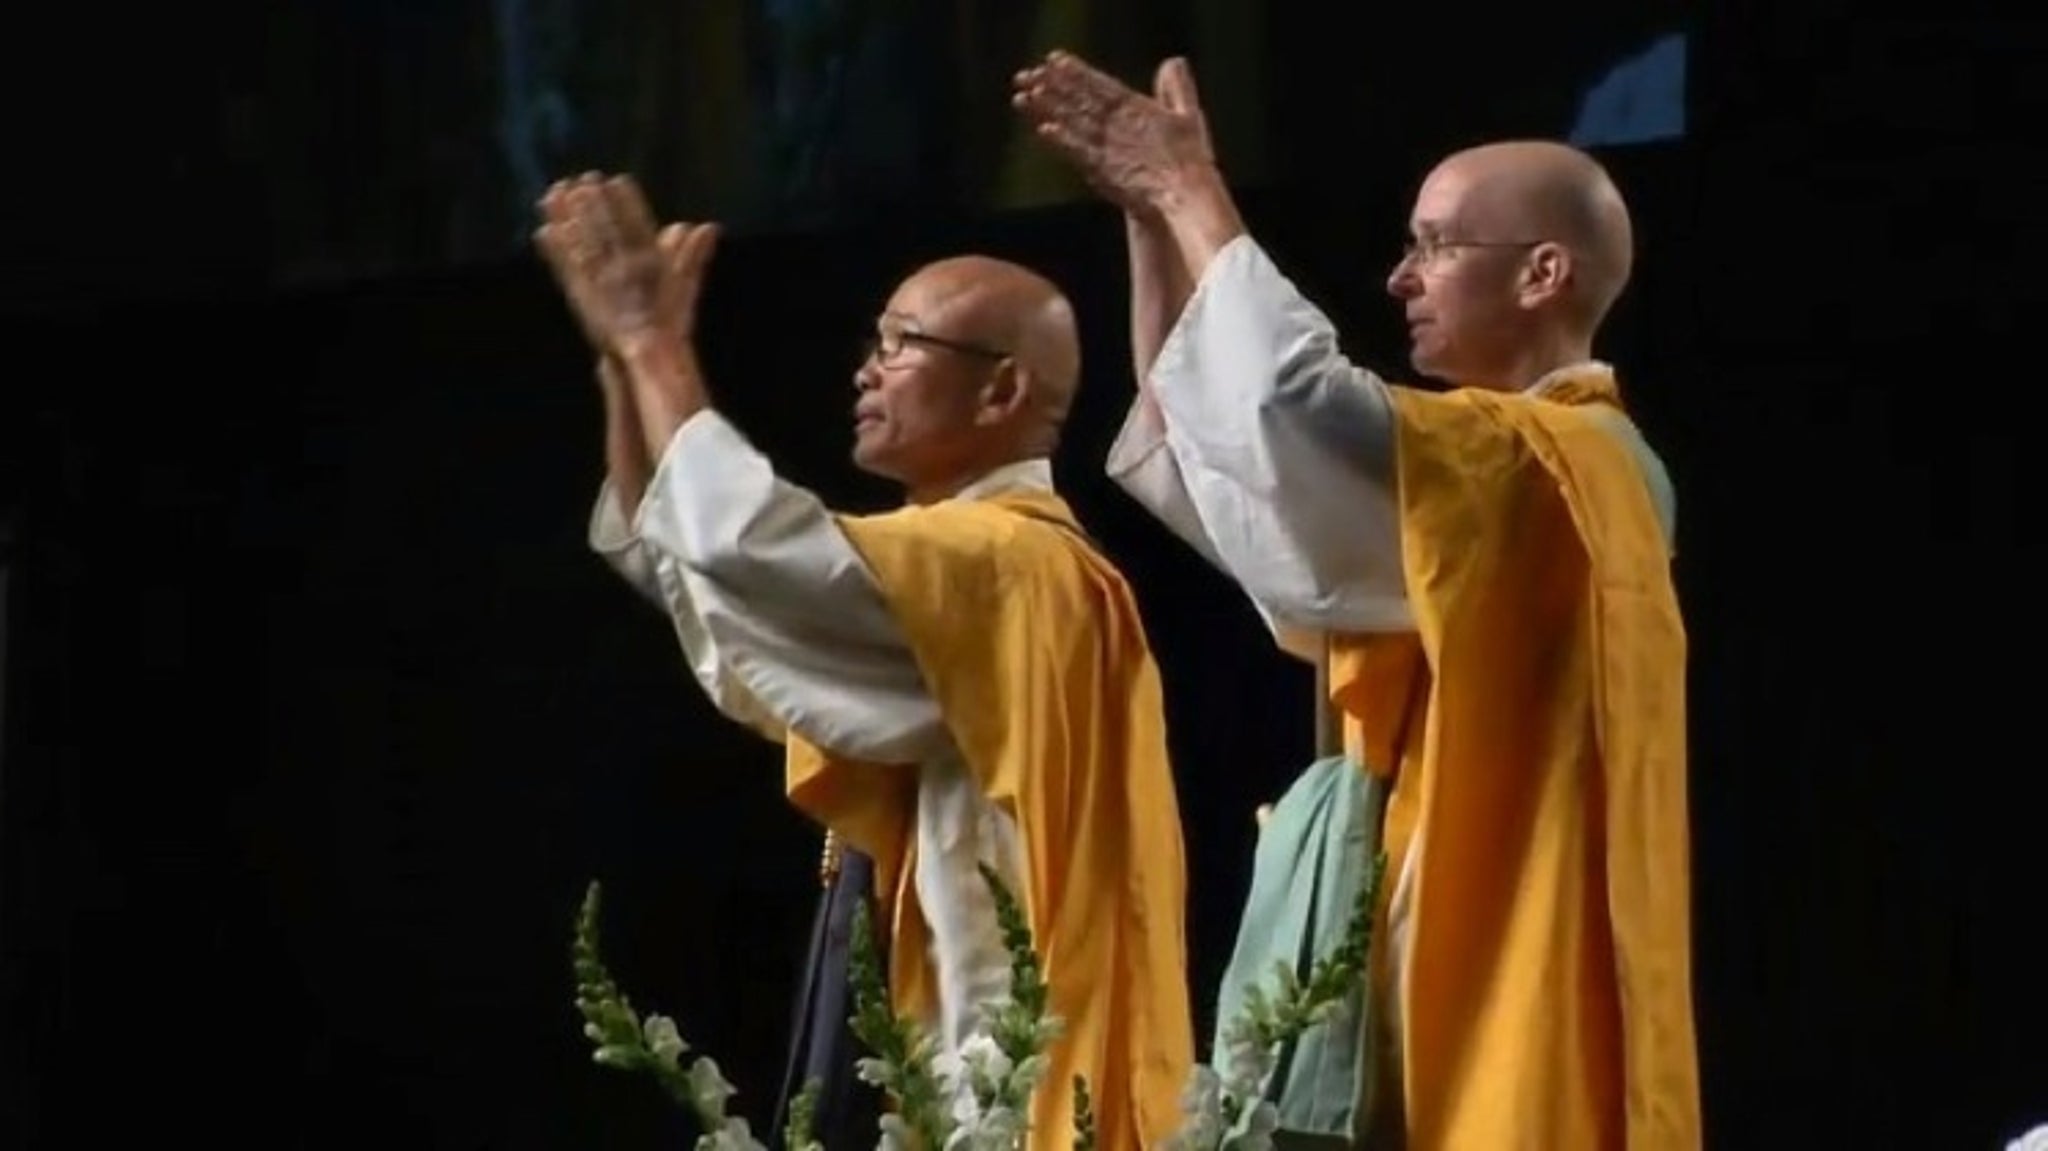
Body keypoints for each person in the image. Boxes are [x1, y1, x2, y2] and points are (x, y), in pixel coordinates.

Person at [1013, 52, 1701, 1150]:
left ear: (1540, 274)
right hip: (1410, 950)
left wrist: (1195, 191)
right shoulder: (1484, 474)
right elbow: (1237, 473)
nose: (1398, 277)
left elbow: (1287, 405)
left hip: (1505, 958)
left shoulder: (1569, 462)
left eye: (1433, 245)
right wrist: (1152, 219)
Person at [532, 171, 1196, 1149]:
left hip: (1016, 1080)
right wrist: (623, 367)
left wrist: (654, 346)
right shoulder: (957, 556)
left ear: (1003, 386)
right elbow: (700, 567)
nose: (865, 371)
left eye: (901, 344)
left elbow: (746, 546)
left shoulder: (1017, 559)